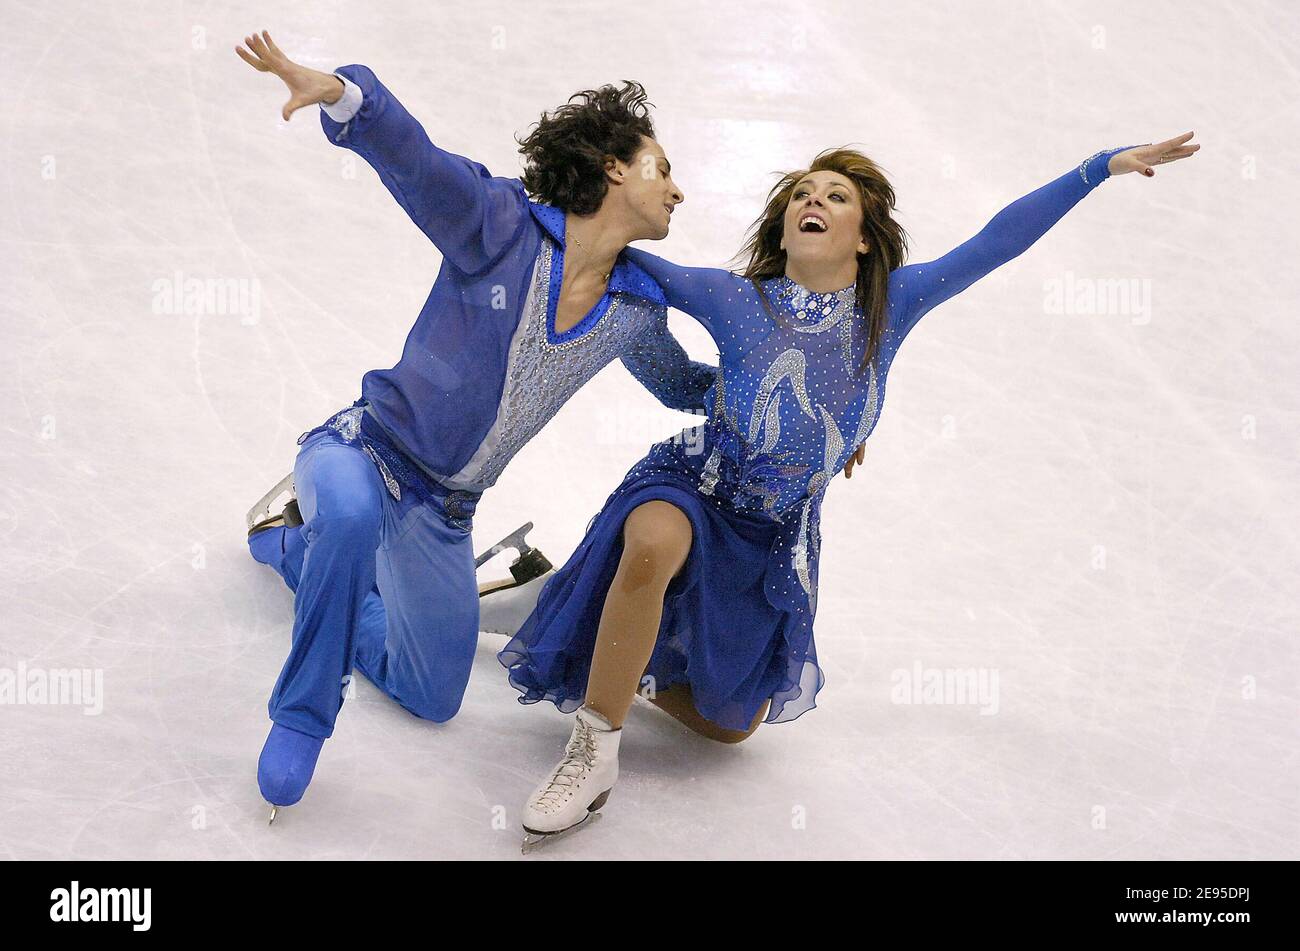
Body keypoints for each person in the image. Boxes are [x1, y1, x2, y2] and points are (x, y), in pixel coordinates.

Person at [498, 133, 1199, 846]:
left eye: (836, 197)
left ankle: (566, 609)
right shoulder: (735, 298)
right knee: (651, 545)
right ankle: (591, 756)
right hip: (692, 482)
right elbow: (617, 255)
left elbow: (998, 240)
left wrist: (1098, 168)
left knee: (730, 726)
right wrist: (513, 207)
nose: (814, 200)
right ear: (783, 225)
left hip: (770, 535)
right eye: (803, 192)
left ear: (863, 240)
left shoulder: (892, 306)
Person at [234, 30, 717, 819]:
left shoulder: (633, 308)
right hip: (366, 451)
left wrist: (780, 395)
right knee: (351, 516)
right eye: (663, 168)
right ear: (613, 168)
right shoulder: (499, 226)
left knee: (433, 693)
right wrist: (345, 95)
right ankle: (300, 716)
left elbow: (684, 385)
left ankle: (292, 545)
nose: (678, 190)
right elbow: (417, 161)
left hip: (445, 515)